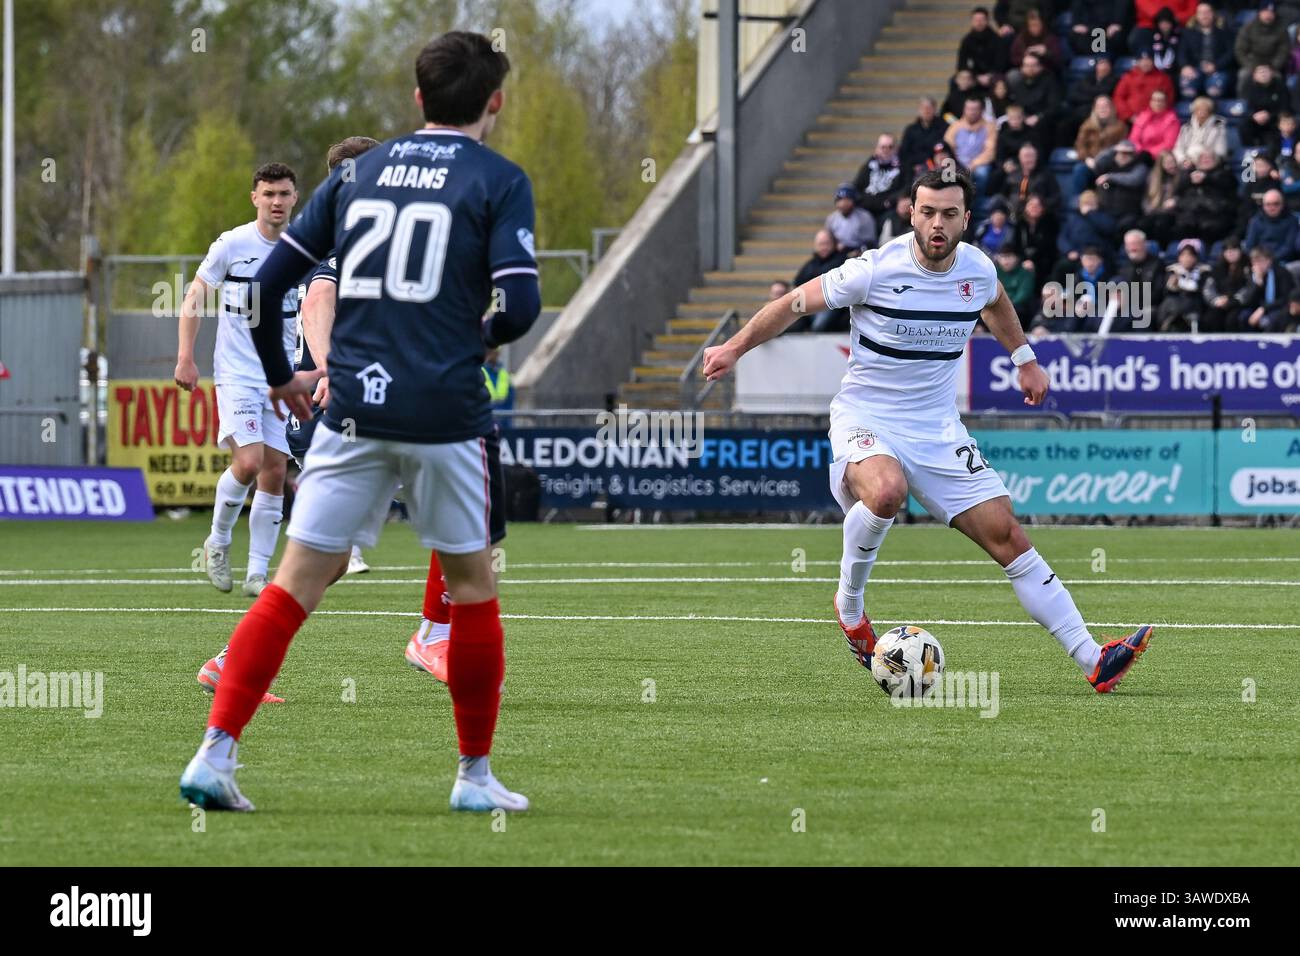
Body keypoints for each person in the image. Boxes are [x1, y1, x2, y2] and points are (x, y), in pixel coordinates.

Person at [178, 31, 543, 814]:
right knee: (474, 586)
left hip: (352, 407)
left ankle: (215, 754)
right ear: (495, 102)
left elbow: (271, 281)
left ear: (417, 99)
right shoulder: (500, 179)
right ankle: (473, 777)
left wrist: (282, 379)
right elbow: (520, 306)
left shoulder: (357, 173)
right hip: (446, 410)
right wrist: (463, 339)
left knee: (293, 584)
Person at [701, 168, 1153, 694]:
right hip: (867, 416)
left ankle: (1093, 659)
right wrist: (734, 346)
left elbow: (996, 302)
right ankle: (850, 606)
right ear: (911, 214)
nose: (938, 223)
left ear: (966, 219)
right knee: (887, 491)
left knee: (1009, 536)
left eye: (950, 214)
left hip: (937, 428)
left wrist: (1025, 359)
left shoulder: (977, 270)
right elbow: (792, 304)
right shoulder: (871, 271)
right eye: (928, 212)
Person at [195, 137, 381, 706]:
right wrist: (325, 366)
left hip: (373, 407)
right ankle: (232, 665)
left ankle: (437, 632)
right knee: (317, 556)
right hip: (331, 406)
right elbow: (316, 301)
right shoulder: (329, 238)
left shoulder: (371, 232)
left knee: (331, 560)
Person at [174, 163, 300, 601]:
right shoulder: (232, 244)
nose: (277, 202)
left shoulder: (304, 249)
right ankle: (218, 542)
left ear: (295, 198)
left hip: (281, 379)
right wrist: (186, 357)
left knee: (276, 470)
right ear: (255, 198)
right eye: (269, 194)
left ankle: (258, 573)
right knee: (248, 463)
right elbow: (193, 298)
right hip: (237, 375)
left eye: (284, 193)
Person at [791, 229, 849, 332]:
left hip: (832, 305)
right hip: (811, 305)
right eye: (820, 244)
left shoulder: (842, 260)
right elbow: (797, 282)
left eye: (826, 243)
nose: (823, 247)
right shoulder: (811, 264)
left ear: (833, 244)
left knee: (818, 325)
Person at [1177, 2, 1233, 101]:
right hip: (1195, 69)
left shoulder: (1224, 32)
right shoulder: (1188, 33)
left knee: (1214, 90)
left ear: (1213, 14)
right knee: (1187, 89)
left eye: (1207, 12)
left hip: (1218, 69)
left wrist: (1216, 65)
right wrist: (1185, 66)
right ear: (1196, 16)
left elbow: (1230, 53)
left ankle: (1216, 116)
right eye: (1201, 13)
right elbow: (1182, 52)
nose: (1204, 16)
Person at [1093, 139, 1150, 233]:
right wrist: (1113, 149)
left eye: (1128, 153)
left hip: (1129, 212)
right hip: (1107, 210)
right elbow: (1098, 162)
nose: (1124, 155)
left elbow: (1134, 180)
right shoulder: (1109, 165)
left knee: (1124, 226)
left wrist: (1110, 177)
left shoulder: (1139, 166)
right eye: (1121, 152)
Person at [944, 96, 999, 194]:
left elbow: (990, 151)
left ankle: (978, 203)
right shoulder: (955, 126)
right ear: (964, 110)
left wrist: (973, 164)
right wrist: (956, 162)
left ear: (981, 110)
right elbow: (947, 146)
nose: (972, 112)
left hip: (979, 164)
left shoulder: (989, 126)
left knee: (982, 174)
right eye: (969, 109)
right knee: (946, 174)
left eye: (975, 109)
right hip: (957, 162)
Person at [1234, 1, 1290, 94]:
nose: (1268, 15)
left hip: (1272, 66)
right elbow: (1240, 50)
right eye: (1265, 11)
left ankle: (1276, 106)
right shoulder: (1248, 28)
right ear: (1259, 12)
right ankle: (1243, 104)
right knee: (1243, 75)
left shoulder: (1281, 30)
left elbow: (1283, 51)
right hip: (1252, 64)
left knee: (1278, 78)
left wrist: (1272, 67)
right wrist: (1253, 68)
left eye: (1271, 12)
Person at [1235, 245, 1296, 330]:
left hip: (1277, 308)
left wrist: (1263, 309)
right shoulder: (1251, 275)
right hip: (1257, 308)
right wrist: (1257, 284)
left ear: (1269, 260)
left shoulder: (1282, 273)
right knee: (1243, 317)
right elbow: (1248, 301)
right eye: (1254, 262)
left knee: (1272, 320)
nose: (1257, 265)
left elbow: (1285, 298)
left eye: (1260, 261)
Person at [1156, 239, 1211, 331]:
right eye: (1183, 255)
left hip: (1195, 303)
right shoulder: (1171, 271)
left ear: (1196, 257)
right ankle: (1167, 324)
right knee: (1168, 302)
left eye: (1190, 255)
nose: (1186, 258)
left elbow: (1198, 289)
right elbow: (1167, 290)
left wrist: (1180, 284)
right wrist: (1173, 284)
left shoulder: (1204, 271)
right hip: (1173, 304)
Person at [1113, 48, 1174, 123]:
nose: (1145, 63)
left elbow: (1169, 100)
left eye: (1148, 60)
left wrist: (1154, 116)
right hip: (1130, 120)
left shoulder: (1162, 78)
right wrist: (1129, 116)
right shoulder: (1128, 77)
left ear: (1153, 61)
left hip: (1155, 120)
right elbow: (1118, 97)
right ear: (1137, 62)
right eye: (1142, 60)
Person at [852, 134, 905, 218]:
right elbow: (856, 185)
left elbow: (905, 188)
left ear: (896, 149)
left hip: (888, 211)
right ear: (876, 149)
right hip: (864, 209)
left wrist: (890, 201)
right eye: (883, 147)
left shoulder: (903, 167)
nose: (886, 150)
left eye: (890, 147)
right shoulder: (868, 166)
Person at [1240, 62, 1288, 153]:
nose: (1263, 74)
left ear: (1272, 73)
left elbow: (1284, 107)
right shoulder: (1248, 87)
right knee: (1243, 125)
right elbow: (1244, 106)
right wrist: (1253, 115)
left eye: (1266, 71)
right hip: (1254, 120)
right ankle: (1249, 152)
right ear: (1254, 75)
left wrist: (1269, 115)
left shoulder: (1280, 86)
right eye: (1260, 72)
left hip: (1274, 120)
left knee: (1280, 127)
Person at [1242, 188, 1299, 261]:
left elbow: (1288, 247)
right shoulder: (1255, 221)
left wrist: (1270, 260)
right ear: (1263, 206)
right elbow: (1249, 245)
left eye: (1276, 204)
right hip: (1259, 260)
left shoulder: (1292, 220)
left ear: (1282, 205)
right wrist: (1260, 260)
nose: (1272, 207)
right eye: (1268, 204)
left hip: (1284, 261)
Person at [1172, 95, 1228, 166]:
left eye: (1205, 109)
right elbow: (1178, 148)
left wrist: (1202, 161)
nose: (1201, 112)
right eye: (1198, 109)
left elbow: (1220, 151)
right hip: (1187, 162)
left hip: (1208, 162)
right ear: (1194, 111)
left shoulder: (1218, 126)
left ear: (1210, 111)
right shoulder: (1186, 127)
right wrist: (1183, 160)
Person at [900, 97, 950, 176]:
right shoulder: (911, 130)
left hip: (937, 169)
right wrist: (912, 166)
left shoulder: (944, 128)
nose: (926, 111)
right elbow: (904, 153)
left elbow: (945, 150)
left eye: (929, 108)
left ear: (935, 109)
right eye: (923, 108)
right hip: (913, 170)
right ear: (919, 110)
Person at [957, 6, 1006, 85]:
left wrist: (990, 75)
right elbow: (961, 64)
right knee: (956, 80)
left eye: (982, 20)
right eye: (976, 20)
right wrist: (976, 76)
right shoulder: (967, 41)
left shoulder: (996, 39)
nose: (979, 23)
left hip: (994, 75)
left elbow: (1001, 62)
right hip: (974, 75)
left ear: (987, 21)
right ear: (972, 21)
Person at [825, 184, 877, 255]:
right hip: (837, 252)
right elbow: (828, 239)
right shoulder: (831, 218)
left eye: (847, 200)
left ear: (854, 201)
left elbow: (870, 242)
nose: (843, 204)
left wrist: (857, 251)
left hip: (859, 252)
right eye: (840, 200)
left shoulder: (864, 217)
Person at [1129, 89, 1181, 160]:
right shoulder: (1143, 116)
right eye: (1154, 100)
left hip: (1158, 157)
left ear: (1166, 103)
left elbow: (1169, 144)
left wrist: (1149, 154)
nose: (1157, 103)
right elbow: (1133, 138)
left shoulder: (1172, 120)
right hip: (1139, 154)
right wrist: (1140, 151)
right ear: (1150, 102)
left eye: (1160, 101)